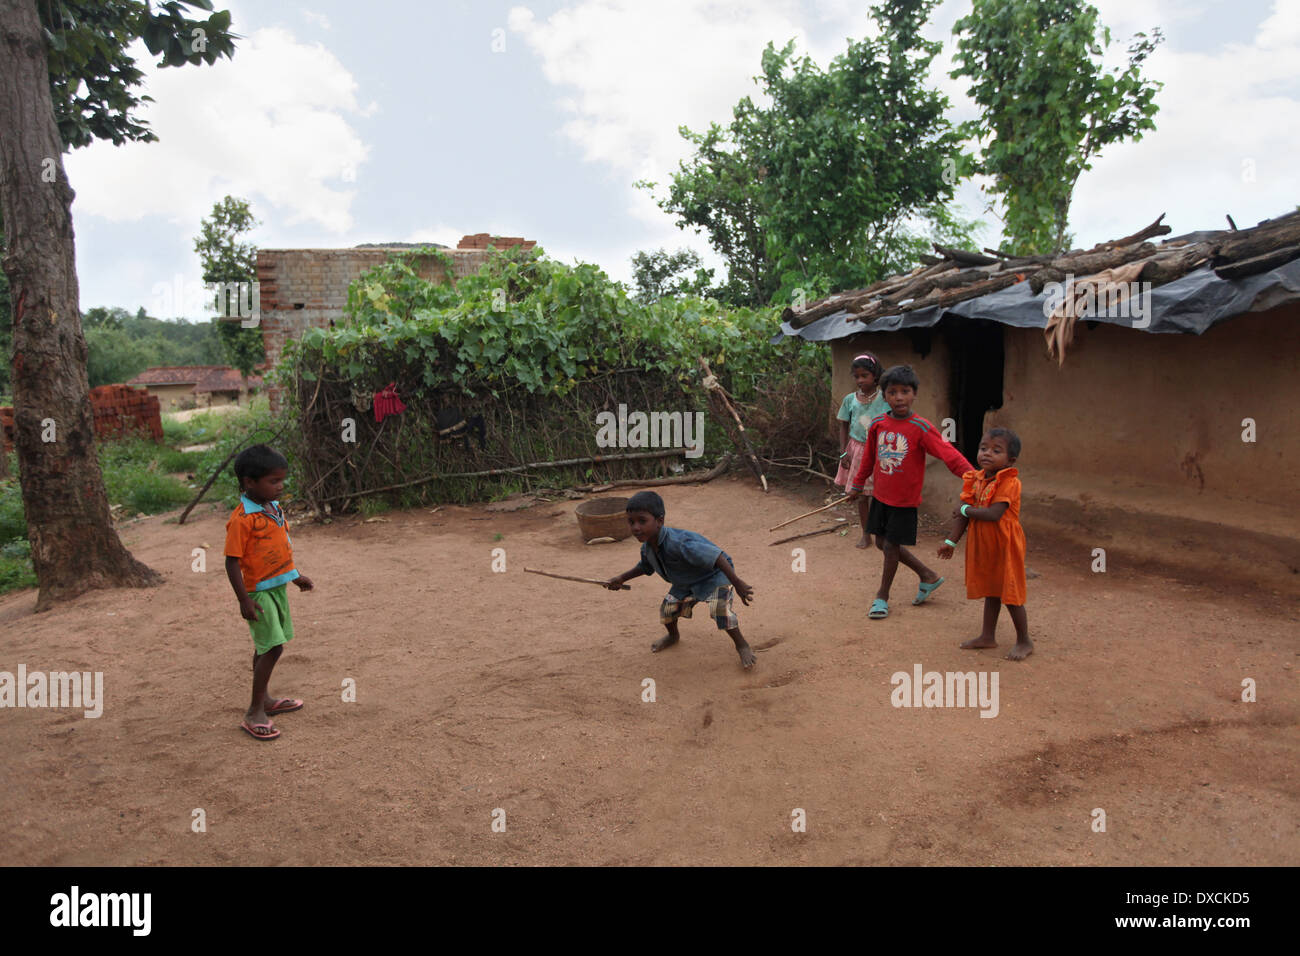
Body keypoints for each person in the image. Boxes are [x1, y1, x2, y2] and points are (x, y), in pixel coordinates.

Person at [845, 365, 973, 620]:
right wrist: (857, 486)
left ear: (914, 394)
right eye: (893, 392)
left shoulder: (921, 427)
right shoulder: (878, 424)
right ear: (884, 396)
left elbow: (948, 454)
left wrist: (974, 476)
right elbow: (868, 459)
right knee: (881, 542)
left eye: (905, 391)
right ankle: (927, 575)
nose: (899, 397)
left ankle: (882, 596)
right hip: (881, 496)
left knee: (891, 545)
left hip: (904, 502)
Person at [604, 490, 757, 669]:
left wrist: (737, 583)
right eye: (631, 522)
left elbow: (717, 558)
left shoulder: (680, 543)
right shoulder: (647, 548)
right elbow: (645, 567)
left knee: (719, 609)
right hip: (685, 583)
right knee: (668, 610)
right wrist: (621, 578)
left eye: (642, 521)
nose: (635, 527)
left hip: (713, 576)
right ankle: (673, 636)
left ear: (660, 521)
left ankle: (742, 645)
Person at [224, 444, 314, 741]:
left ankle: (264, 700)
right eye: (273, 481)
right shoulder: (242, 520)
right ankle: (254, 712)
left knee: (267, 646)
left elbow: (278, 550)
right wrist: (244, 599)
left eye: (281, 480)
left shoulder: (273, 509)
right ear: (250, 482)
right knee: (273, 647)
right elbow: (232, 561)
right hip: (258, 594)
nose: (280, 486)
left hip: (276, 588)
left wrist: (295, 576)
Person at [937, 427, 1032, 660]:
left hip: (1005, 545)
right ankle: (987, 636)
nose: (987, 453)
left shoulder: (1009, 482)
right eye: (983, 448)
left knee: (1009, 592)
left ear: (1011, 460)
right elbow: (964, 516)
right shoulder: (974, 479)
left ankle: (1024, 640)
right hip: (984, 544)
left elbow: (992, 514)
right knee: (992, 590)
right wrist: (951, 541)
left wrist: (964, 508)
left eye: (996, 450)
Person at [835, 352, 890, 548]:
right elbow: (843, 425)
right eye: (856, 376)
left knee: (878, 495)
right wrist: (843, 452)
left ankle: (880, 532)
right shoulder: (850, 400)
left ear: (875, 375)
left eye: (864, 376)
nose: (860, 380)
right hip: (857, 451)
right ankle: (866, 533)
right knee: (860, 496)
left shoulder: (885, 398)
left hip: (880, 452)